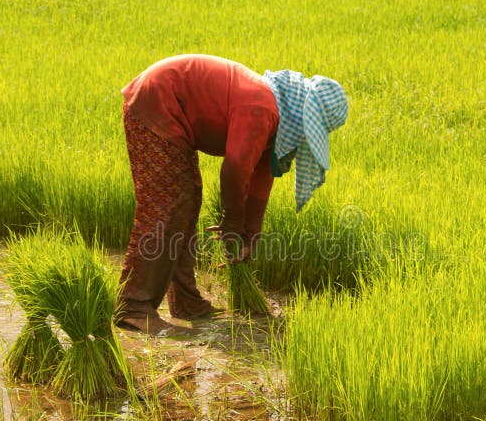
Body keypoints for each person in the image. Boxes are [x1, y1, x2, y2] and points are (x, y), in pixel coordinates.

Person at [116, 54, 348, 334]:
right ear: (303, 116)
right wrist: (233, 222)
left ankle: (186, 302)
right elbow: (235, 169)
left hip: (169, 107)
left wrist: (250, 234)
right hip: (157, 100)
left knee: (186, 202)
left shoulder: (275, 122)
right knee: (168, 203)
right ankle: (133, 306)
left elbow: (260, 179)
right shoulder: (261, 107)